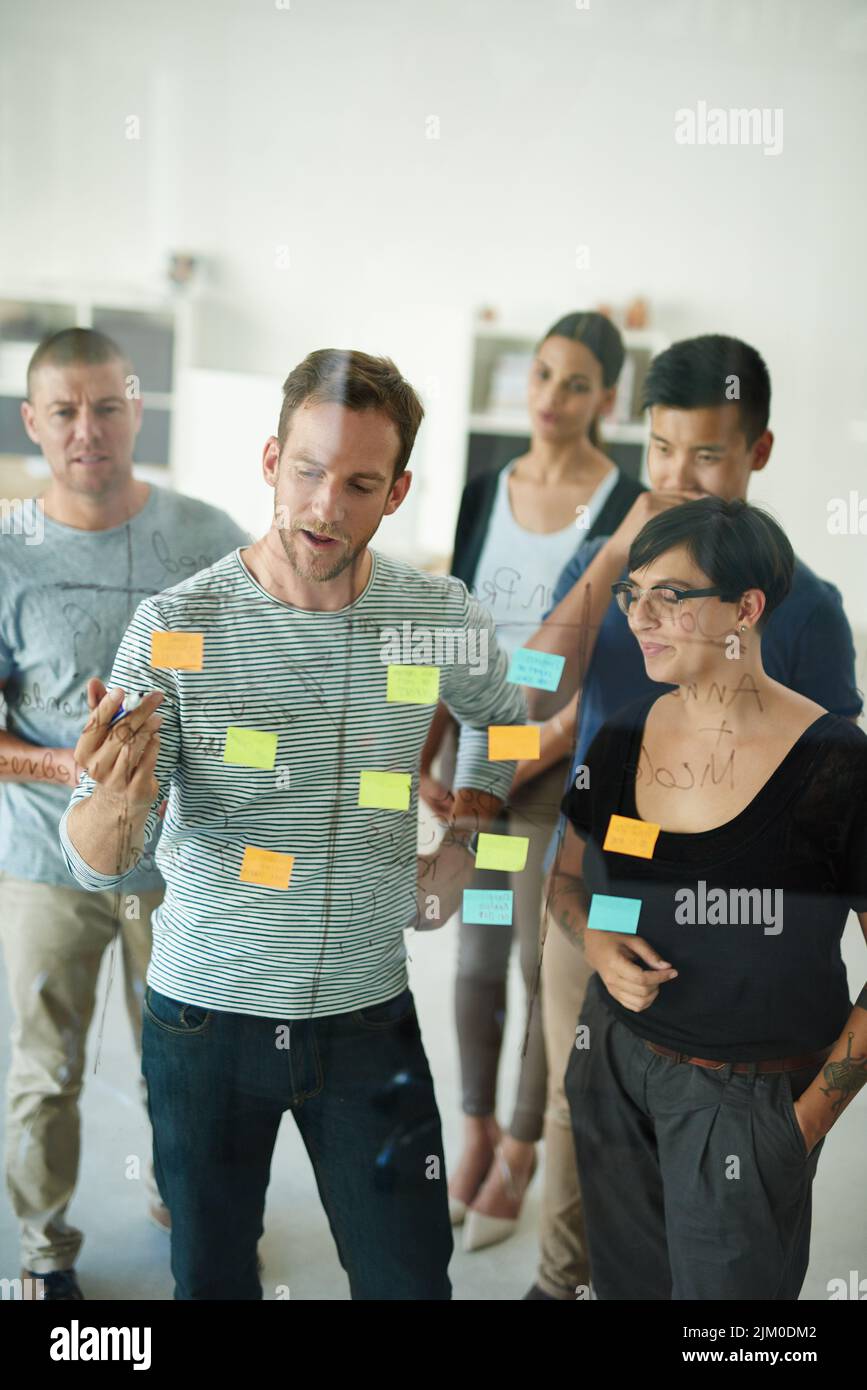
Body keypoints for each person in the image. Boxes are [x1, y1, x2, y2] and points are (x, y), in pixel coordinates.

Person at [59, 347, 529, 1300]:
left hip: (368, 1016)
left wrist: (468, 843)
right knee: (214, 1277)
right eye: (307, 472)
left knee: (409, 1280)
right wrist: (115, 804)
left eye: (358, 483)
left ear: (395, 493)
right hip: (205, 1021)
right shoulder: (179, 626)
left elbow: (504, 718)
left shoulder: (435, 615)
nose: (324, 507)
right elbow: (100, 868)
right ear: (271, 460)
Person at [522, 334, 863, 1300]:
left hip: (741, 976)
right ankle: (560, 1283)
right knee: (574, 1109)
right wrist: (616, 559)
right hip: (601, 883)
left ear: (755, 452)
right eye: (659, 448)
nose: (676, 475)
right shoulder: (611, 567)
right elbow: (527, 689)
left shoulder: (805, 608)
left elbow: (823, 804)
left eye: (704, 454)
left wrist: (792, 1120)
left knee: (718, 1231)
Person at [0, 328, 249, 1300]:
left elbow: (261, 688)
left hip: (178, 863)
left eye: (107, 406)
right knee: (44, 1068)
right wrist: (68, 764)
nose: (87, 429)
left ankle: (188, 1209)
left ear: (138, 409)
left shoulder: (208, 537)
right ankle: (46, 1247)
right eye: (63, 410)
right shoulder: (7, 552)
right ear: (33, 422)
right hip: (42, 860)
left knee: (185, 1063)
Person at [421, 311, 644, 1252]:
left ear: (608, 398)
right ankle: (471, 1132)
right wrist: (430, 748)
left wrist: (541, 743)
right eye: (542, 375)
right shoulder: (484, 489)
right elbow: (454, 622)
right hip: (480, 764)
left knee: (532, 959)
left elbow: (615, 646)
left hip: (557, 773)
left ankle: (519, 1149)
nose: (551, 397)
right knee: (473, 960)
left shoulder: (626, 502)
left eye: (576, 382)